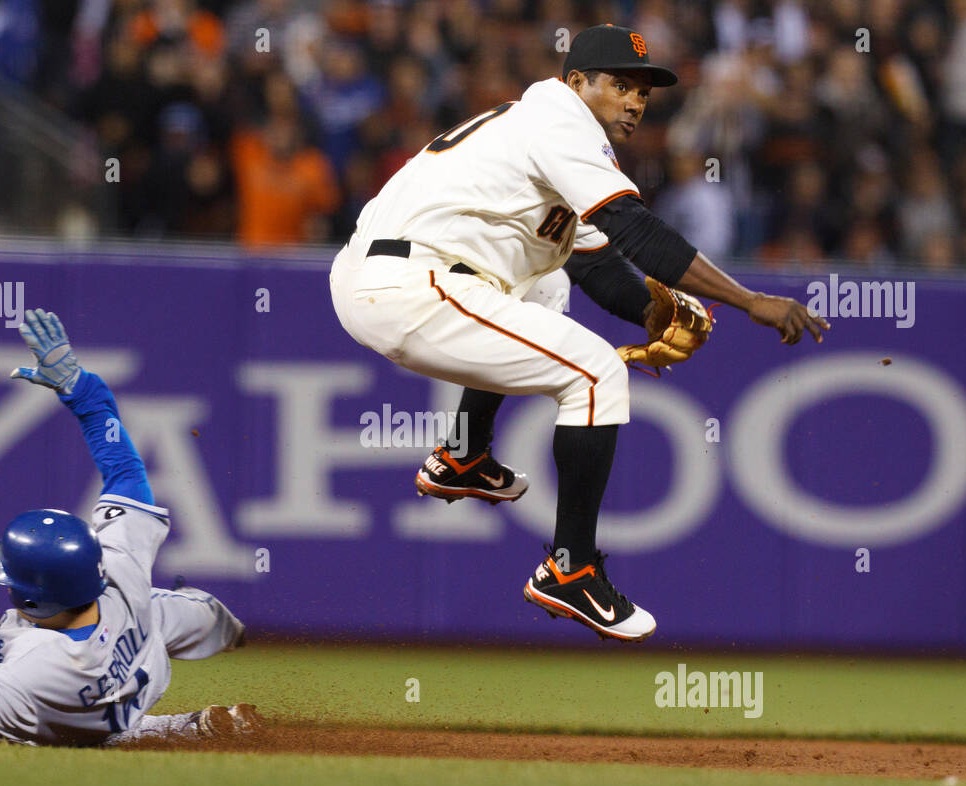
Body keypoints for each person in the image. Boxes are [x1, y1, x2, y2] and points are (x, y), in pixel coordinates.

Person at [329, 24, 828, 643]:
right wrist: (751, 299)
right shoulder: (560, 122)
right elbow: (635, 230)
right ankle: (570, 569)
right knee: (596, 372)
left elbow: (594, 263)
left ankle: (462, 452)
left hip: (395, 274)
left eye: (644, 90)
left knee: (548, 285)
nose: (636, 101)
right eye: (620, 84)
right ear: (577, 83)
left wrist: (659, 311)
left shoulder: (544, 132)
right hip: (409, 282)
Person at [0, 310, 257, 745]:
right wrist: (84, 392)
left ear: (32, 599)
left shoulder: (35, 665)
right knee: (194, 611)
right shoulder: (119, 565)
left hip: (85, 710)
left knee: (66, 733)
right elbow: (125, 472)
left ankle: (167, 729)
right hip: (138, 637)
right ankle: (204, 683)